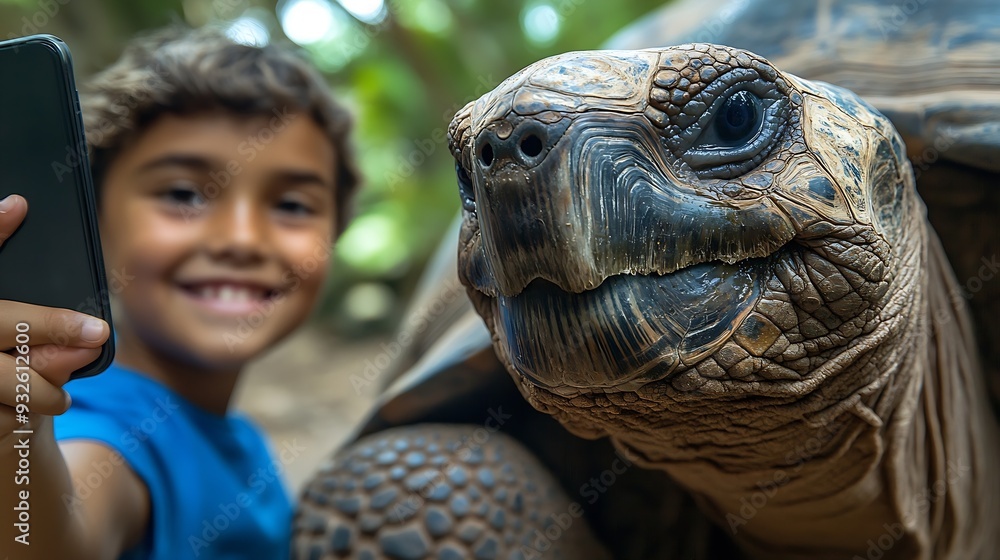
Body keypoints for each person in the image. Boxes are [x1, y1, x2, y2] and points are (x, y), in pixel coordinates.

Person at [0, 25, 359, 559]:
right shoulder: (96, 423)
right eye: (184, 193)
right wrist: (14, 442)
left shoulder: (236, 437)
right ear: (92, 221)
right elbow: (60, 539)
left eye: (291, 206)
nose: (242, 239)